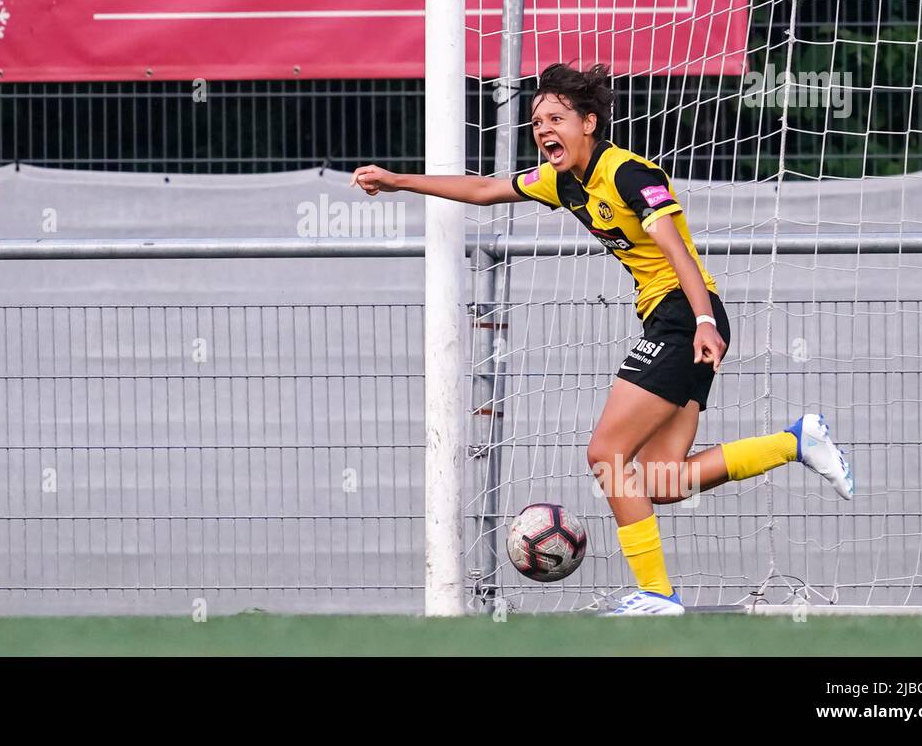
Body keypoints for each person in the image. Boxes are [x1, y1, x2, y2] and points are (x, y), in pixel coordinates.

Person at [350, 62, 853, 615]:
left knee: (607, 454)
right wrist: (398, 180)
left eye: (556, 118)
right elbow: (485, 189)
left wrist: (704, 320)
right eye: (537, 121)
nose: (543, 130)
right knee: (661, 480)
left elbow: (676, 250)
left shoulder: (630, 175)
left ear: (589, 122)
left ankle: (659, 595)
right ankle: (796, 441)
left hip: (684, 316)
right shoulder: (562, 180)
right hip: (677, 319)